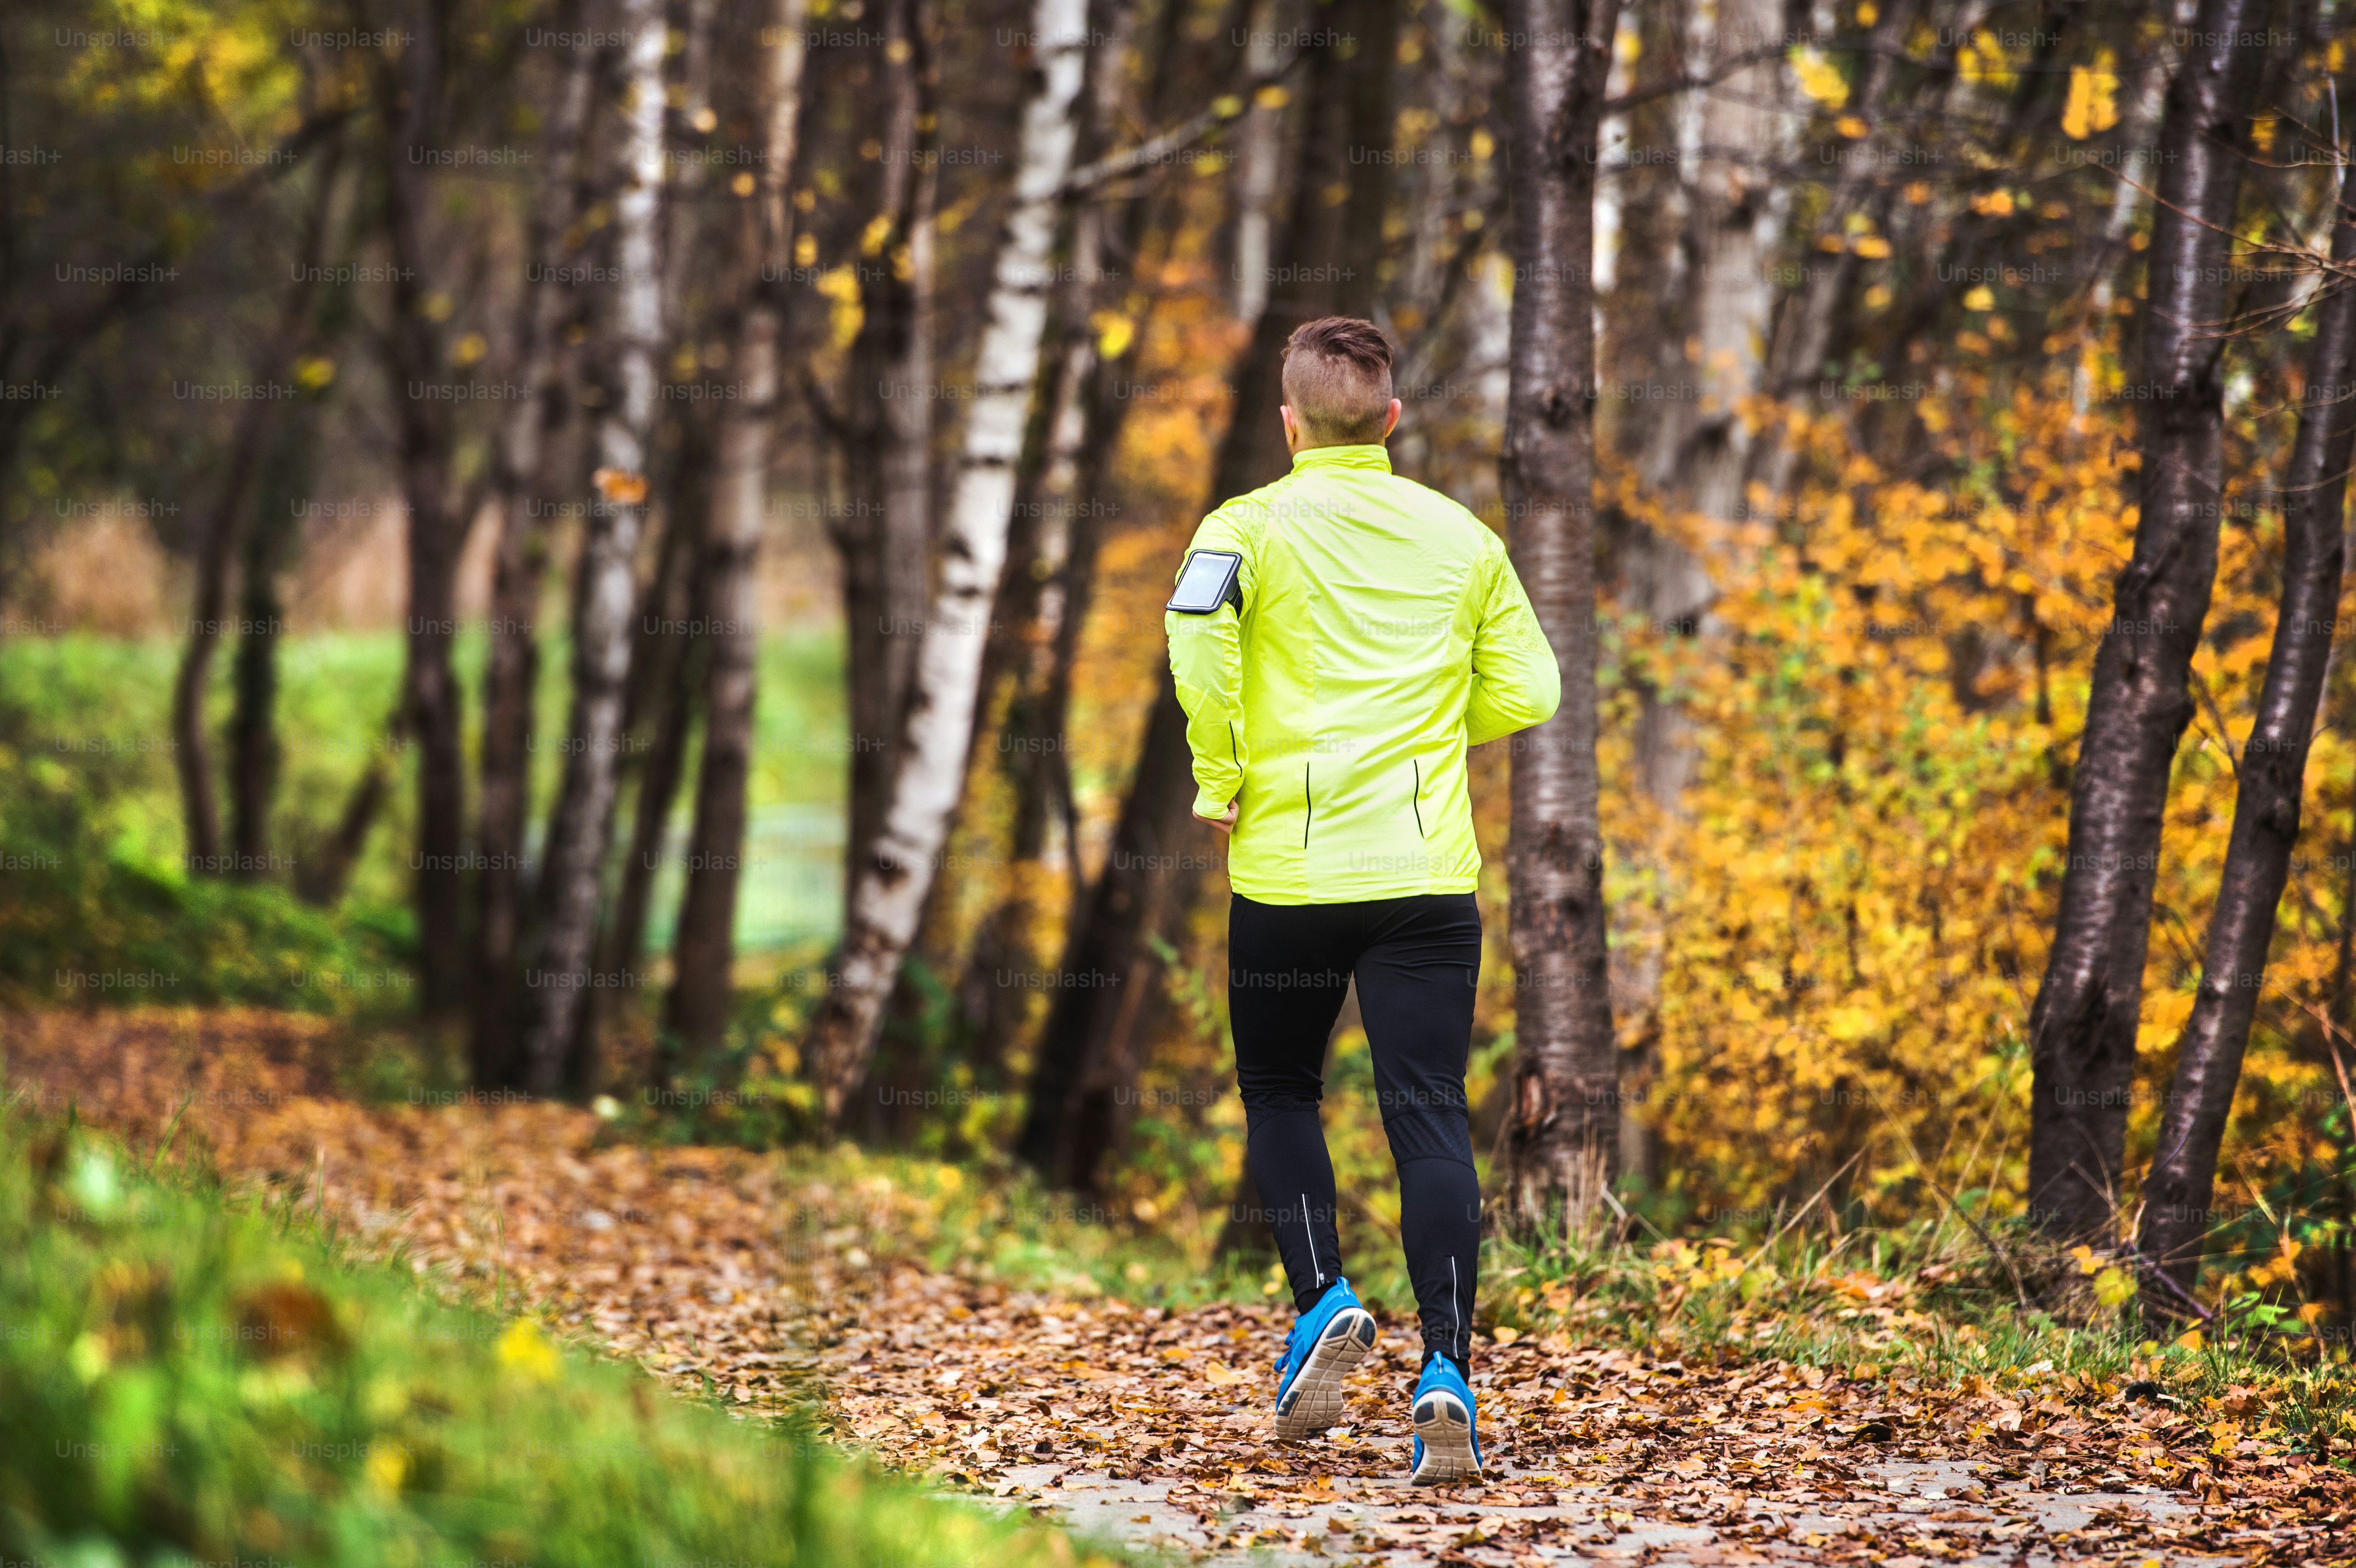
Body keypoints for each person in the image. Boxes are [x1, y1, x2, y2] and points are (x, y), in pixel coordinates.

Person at [1164, 316, 1560, 1485]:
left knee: (1284, 1088)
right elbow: (1531, 689)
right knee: (1429, 1108)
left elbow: (1196, 644)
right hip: (1426, 878)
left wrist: (1223, 773)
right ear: (1390, 420)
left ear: (1287, 423)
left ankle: (1321, 1296)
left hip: (1289, 870)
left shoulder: (1243, 526)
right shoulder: (1463, 536)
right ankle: (1446, 1370)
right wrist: (1425, 730)